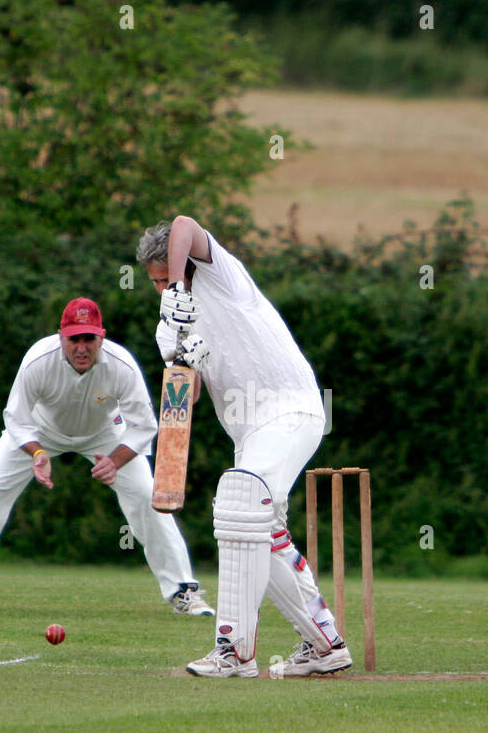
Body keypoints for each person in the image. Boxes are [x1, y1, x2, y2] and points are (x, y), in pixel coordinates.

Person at [137, 215, 352, 678]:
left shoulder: (220, 275)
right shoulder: (167, 324)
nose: (160, 290)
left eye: (165, 279)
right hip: (249, 435)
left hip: (292, 409)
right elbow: (186, 398)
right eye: (154, 283)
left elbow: (183, 224)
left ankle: (234, 651)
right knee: (261, 530)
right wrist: (181, 359)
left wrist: (178, 287)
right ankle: (324, 643)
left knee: (239, 500)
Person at [0, 298, 213, 617]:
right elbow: (16, 417)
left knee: (146, 496)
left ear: (102, 336)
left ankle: (183, 590)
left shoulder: (121, 366)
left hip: (106, 433)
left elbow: (144, 425)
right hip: (40, 431)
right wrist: (37, 453)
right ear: (61, 337)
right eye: (75, 339)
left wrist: (115, 460)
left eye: (89, 339)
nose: (82, 348)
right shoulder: (38, 361)